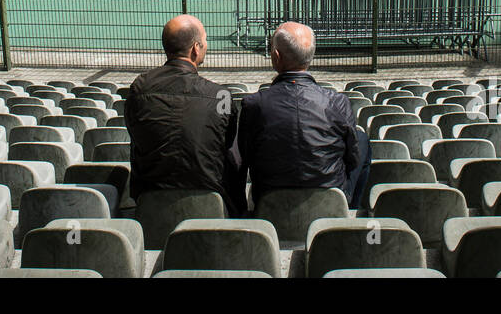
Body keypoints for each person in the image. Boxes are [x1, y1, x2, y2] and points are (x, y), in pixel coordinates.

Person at [238, 21, 371, 211]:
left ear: (276, 57)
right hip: (329, 199)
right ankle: (350, 212)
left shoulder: (254, 104)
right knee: (361, 139)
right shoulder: (338, 102)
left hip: (269, 200)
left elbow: (245, 158)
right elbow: (352, 158)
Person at [125, 14, 244, 214]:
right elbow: (229, 148)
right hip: (208, 205)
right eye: (205, 41)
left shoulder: (139, 88)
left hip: (150, 205)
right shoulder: (221, 96)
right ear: (195, 49)